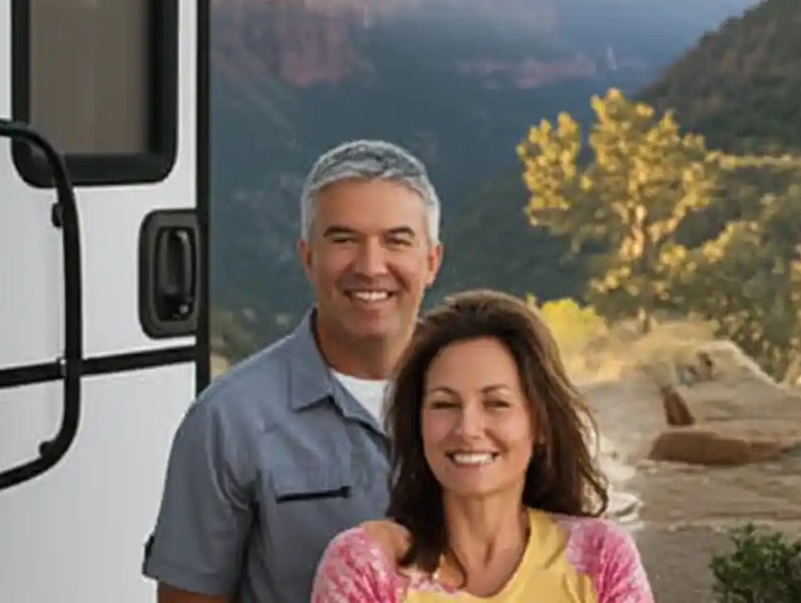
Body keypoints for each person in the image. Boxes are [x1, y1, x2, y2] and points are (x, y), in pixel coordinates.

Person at [143, 140, 445, 603]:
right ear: (308, 258)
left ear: (431, 261)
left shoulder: (491, 407)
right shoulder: (228, 422)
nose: (370, 266)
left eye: (396, 240)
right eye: (343, 239)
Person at [310, 290, 654, 602]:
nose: (468, 429)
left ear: (540, 424)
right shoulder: (367, 566)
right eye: (444, 405)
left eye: (496, 404)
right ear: (417, 424)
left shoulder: (600, 558)